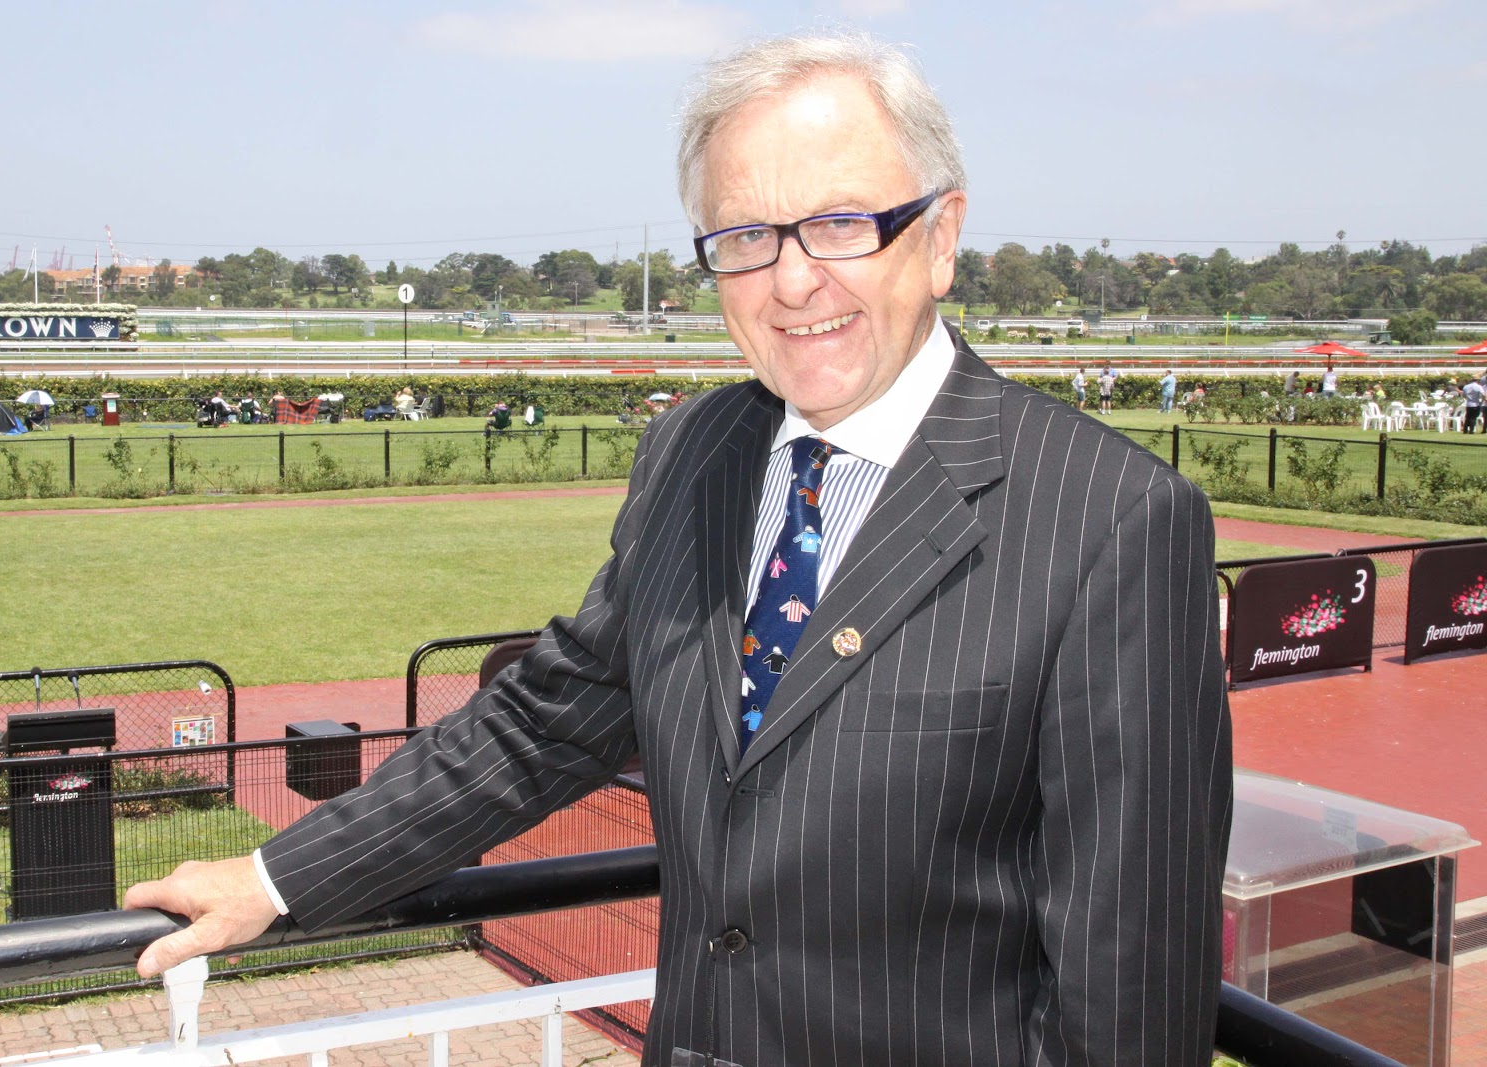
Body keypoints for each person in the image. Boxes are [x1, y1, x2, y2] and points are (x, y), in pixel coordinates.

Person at [127, 31, 1230, 1067]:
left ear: (940, 238)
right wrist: (278, 875)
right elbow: (543, 723)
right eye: (746, 238)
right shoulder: (692, 452)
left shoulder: (1112, 519)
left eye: (842, 222)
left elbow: (1128, 988)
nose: (792, 281)